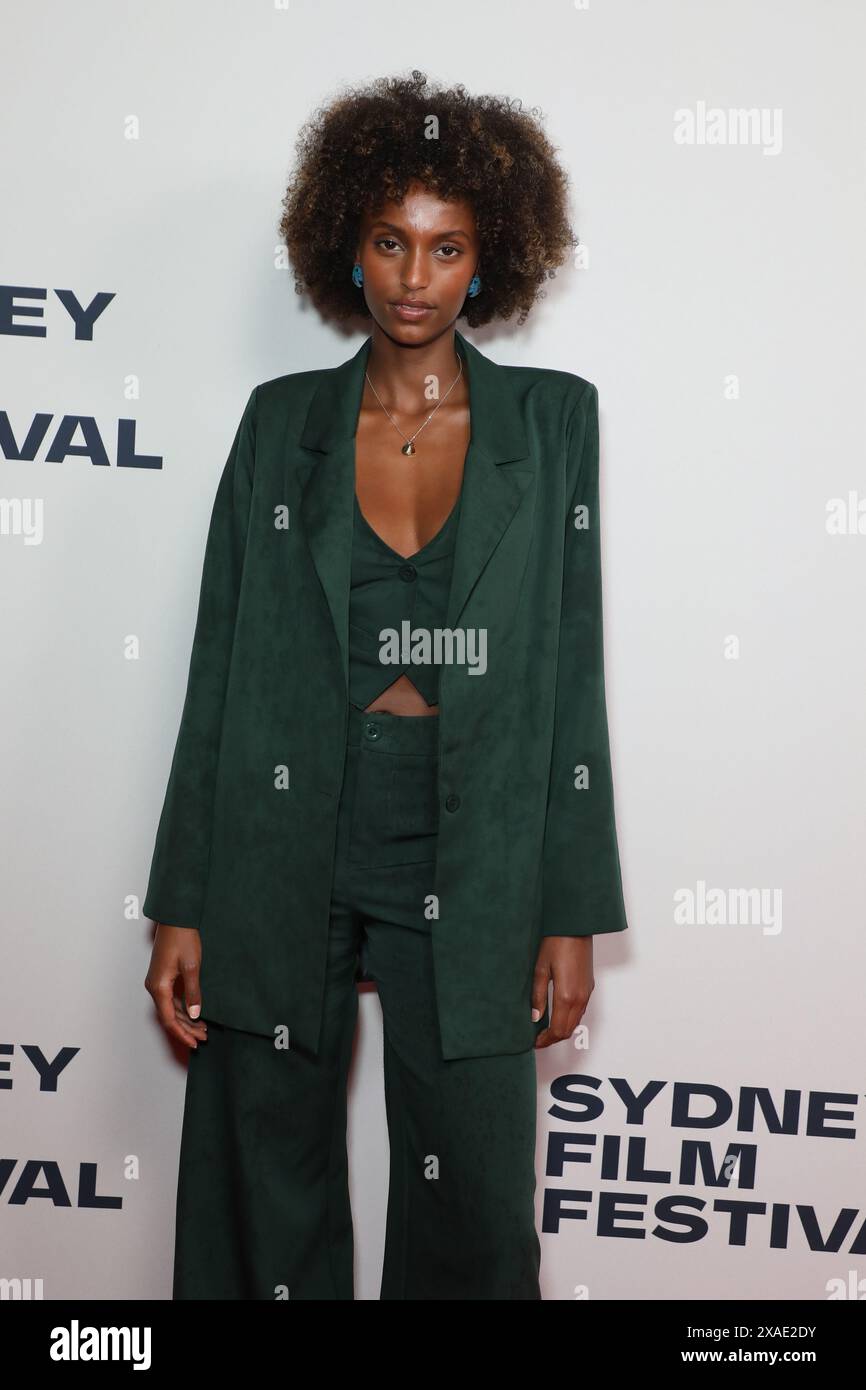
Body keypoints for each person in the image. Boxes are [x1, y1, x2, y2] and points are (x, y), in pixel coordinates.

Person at [143, 70, 629, 1300]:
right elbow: (221, 663)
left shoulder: (552, 424)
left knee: (469, 1196)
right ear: (344, 249)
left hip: (468, 857)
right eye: (389, 242)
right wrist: (183, 898)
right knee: (266, 1176)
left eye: (447, 247)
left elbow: (571, 671)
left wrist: (567, 908)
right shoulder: (278, 422)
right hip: (280, 837)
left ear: (489, 261)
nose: (416, 277)